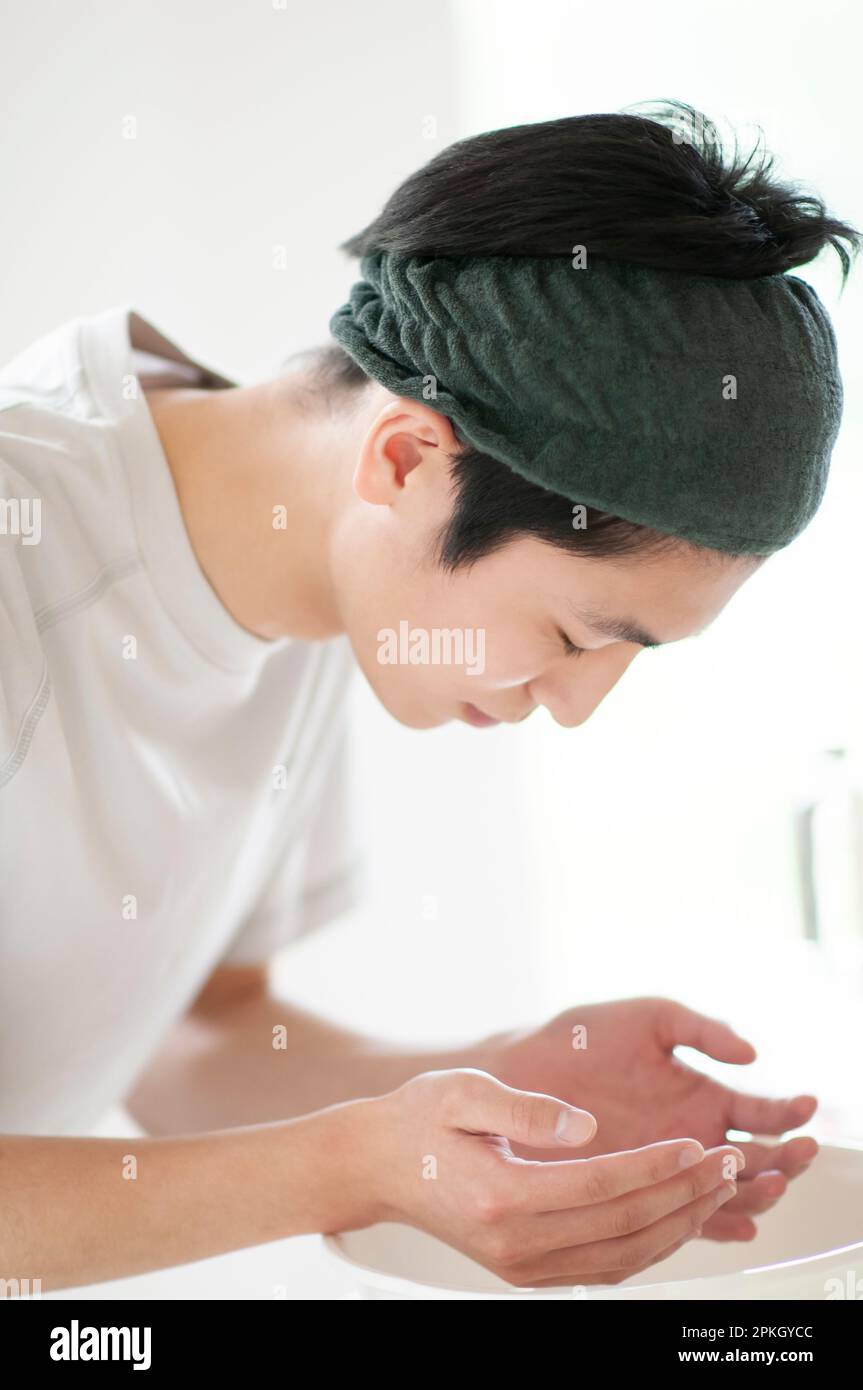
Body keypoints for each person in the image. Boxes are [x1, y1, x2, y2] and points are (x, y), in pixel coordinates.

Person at [1, 102, 857, 1292]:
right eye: (567, 634)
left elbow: (187, 1035)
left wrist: (507, 1083)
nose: (571, 707)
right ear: (404, 458)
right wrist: (345, 1168)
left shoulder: (314, 581)